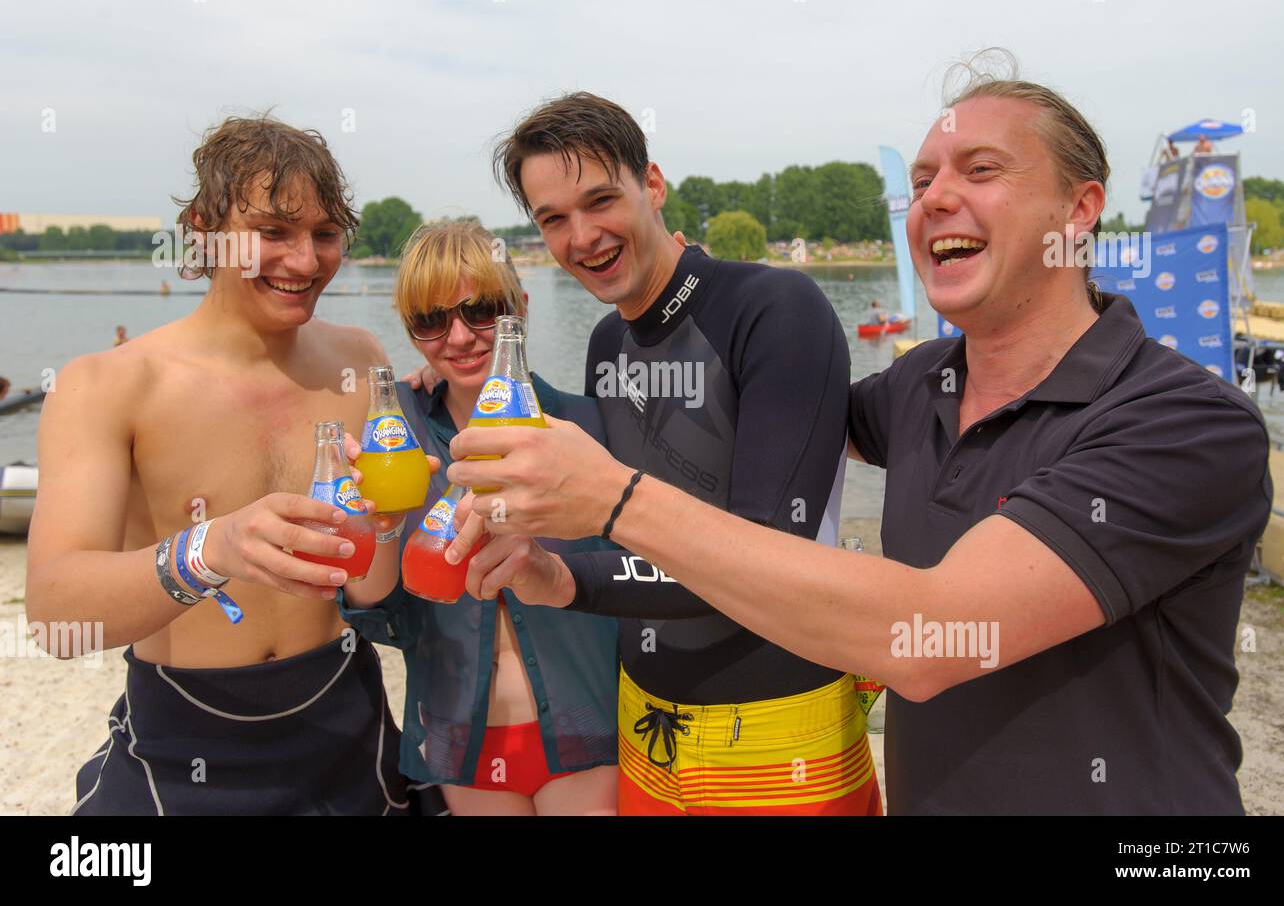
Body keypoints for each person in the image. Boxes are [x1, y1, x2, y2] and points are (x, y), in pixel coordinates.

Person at [444, 67, 1272, 815]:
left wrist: (611, 503)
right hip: (673, 736)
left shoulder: (1188, 424)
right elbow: (758, 422)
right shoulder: (918, 390)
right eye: (921, 181)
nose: (936, 196)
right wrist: (449, 384)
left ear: (1080, 210)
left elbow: (934, 633)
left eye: (980, 170)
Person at [435, 92, 881, 816]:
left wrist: (567, 578)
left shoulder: (777, 309)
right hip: (646, 738)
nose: (582, 237)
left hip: (779, 738)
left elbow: (767, 556)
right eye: (553, 219)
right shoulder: (606, 342)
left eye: (601, 200)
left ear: (653, 184)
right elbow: (620, 520)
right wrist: (444, 382)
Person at [26, 114, 433, 815]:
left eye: (326, 234)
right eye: (273, 232)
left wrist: (389, 523)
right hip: (181, 738)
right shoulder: (107, 384)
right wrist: (211, 547)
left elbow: (366, 588)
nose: (305, 263)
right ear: (203, 226)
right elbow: (55, 613)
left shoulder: (360, 359)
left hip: (345, 720)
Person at [340, 221, 619, 815]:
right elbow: (374, 607)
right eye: (431, 321)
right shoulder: (396, 433)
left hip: (586, 728)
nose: (460, 337)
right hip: (460, 737)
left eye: (482, 310)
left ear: (520, 306)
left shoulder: (587, 427)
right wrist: (383, 524)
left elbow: (639, 580)